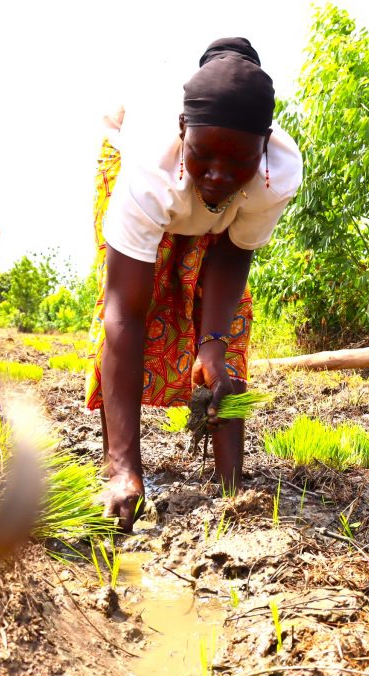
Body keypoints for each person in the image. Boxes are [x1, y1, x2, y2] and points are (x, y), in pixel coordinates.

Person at [86, 38, 303, 532]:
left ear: (264, 145)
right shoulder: (148, 169)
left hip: (207, 209)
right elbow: (126, 312)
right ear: (184, 131)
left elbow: (231, 254)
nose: (220, 176)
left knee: (229, 329)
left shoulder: (278, 174)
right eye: (204, 157)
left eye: (238, 162)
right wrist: (126, 469)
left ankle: (231, 488)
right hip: (141, 174)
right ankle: (118, 466)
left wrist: (211, 344)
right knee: (142, 299)